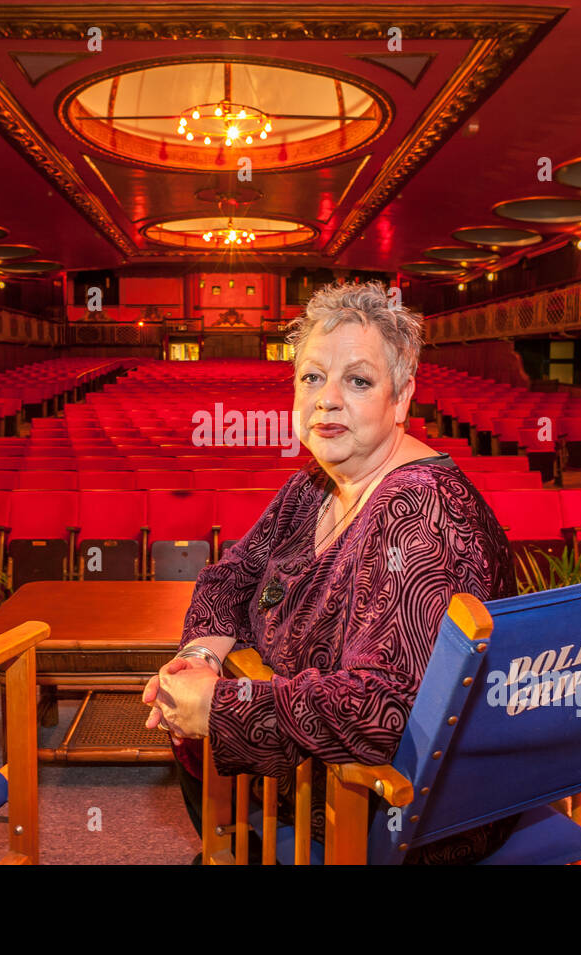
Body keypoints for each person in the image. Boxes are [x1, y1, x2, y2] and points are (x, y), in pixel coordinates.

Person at [142, 280, 520, 863]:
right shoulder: (311, 487)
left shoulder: (416, 507)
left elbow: (383, 711)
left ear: (402, 398)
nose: (327, 399)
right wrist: (201, 659)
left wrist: (220, 706)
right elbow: (229, 577)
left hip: (394, 809)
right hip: (310, 776)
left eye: (358, 380)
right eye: (312, 377)